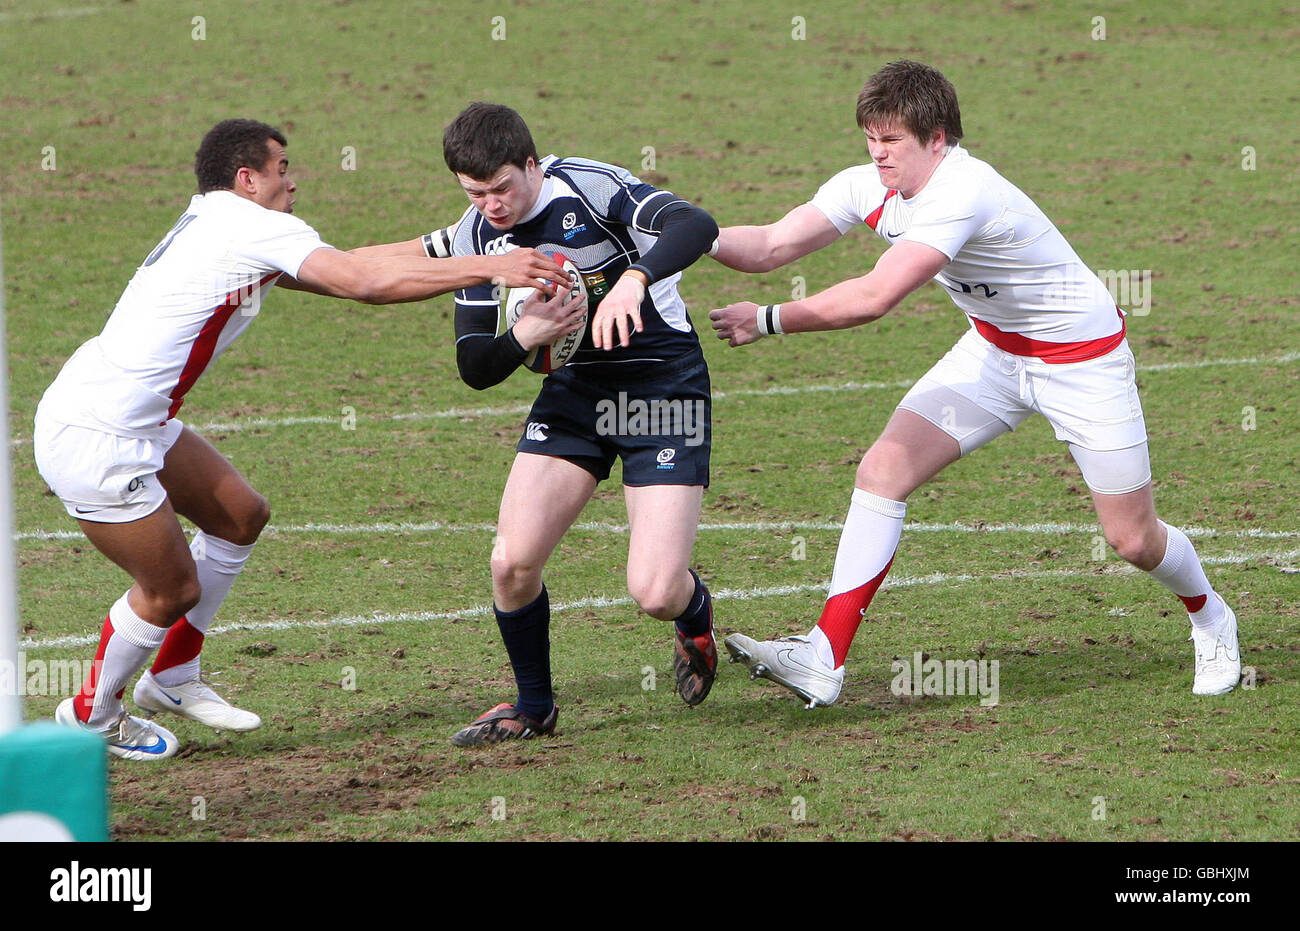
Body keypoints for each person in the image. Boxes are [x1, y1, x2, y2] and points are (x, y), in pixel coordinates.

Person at [708, 61, 1240, 708]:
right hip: (993, 353)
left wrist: (767, 320)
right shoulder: (867, 184)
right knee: (883, 468)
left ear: (938, 139)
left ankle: (1211, 615)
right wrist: (676, 231)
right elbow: (767, 246)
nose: (878, 154)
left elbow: (876, 296)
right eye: (871, 138)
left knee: (1132, 538)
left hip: (1082, 363)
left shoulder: (965, 190)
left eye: (892, 140)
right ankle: (823, 656)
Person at [39, 118, 571, 760]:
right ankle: (91, 711)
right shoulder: (251, 225)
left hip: (126, 413)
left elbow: (347, 267)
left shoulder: (218, 221)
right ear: (248, 179)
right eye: (282, 169)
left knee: (239, 516)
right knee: (169, 589)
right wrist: (492, 268)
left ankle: (172, 678)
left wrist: (465, 256)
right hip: (99, 433)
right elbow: (365, 286)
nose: (293, 182)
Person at [378, 102, 720, 744]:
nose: (492, 205)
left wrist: (635, 279)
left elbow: (695, 224)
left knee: (653, 590)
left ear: (531, 164)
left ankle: (694, 611)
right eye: (475, 193)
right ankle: (533, 707)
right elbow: (476, 366)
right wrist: (523, 336)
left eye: (502, 187)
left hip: (660, 385)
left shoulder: (590, 186)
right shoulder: (478, 236)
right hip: (574, 393)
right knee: (510, 562)